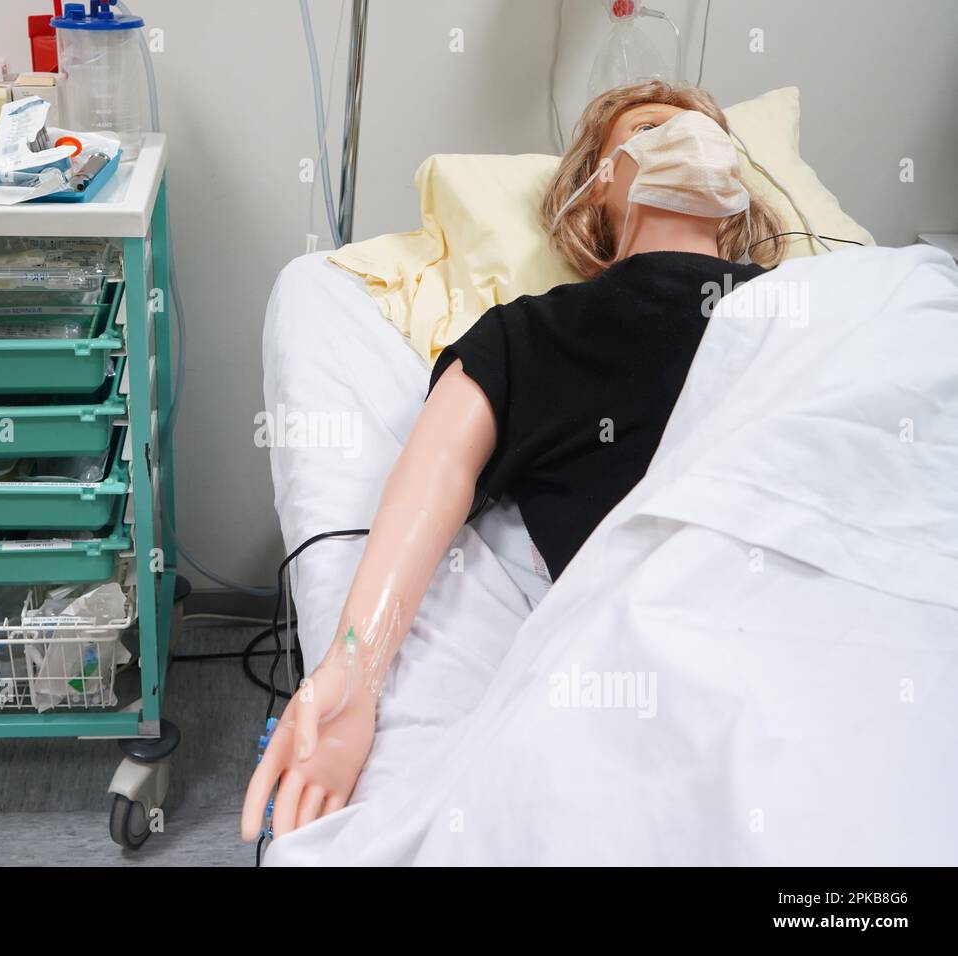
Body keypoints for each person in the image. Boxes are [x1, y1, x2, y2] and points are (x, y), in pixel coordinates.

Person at [242, 81, 788, 842]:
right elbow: (436, 476)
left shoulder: (824, 302)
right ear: (598, 188)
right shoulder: (534, 334)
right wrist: (354, 670)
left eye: (705, 132)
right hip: (671, 655)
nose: (687, 139)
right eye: (655, 127)